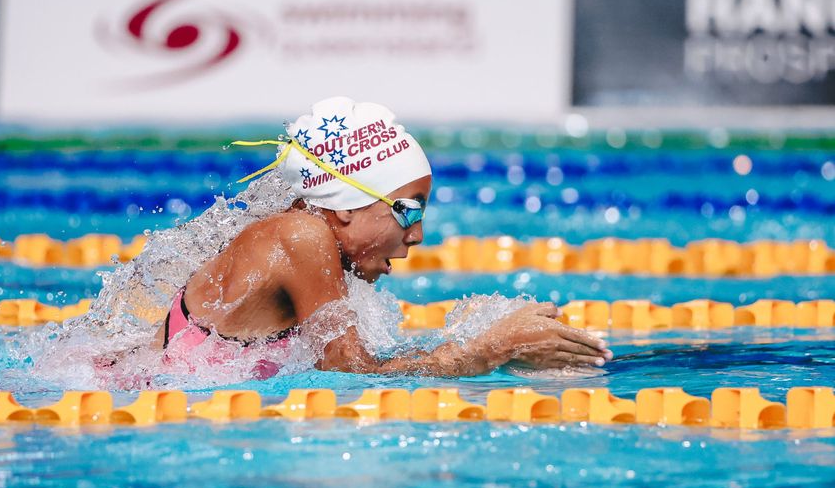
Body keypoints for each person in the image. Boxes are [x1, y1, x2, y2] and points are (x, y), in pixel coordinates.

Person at [152, 97, 613, 377]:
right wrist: (489, 350)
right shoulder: (302, 235)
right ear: (347, 206)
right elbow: (351, 371)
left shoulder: (303, 240)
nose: (418, 235)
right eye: (408, 210)